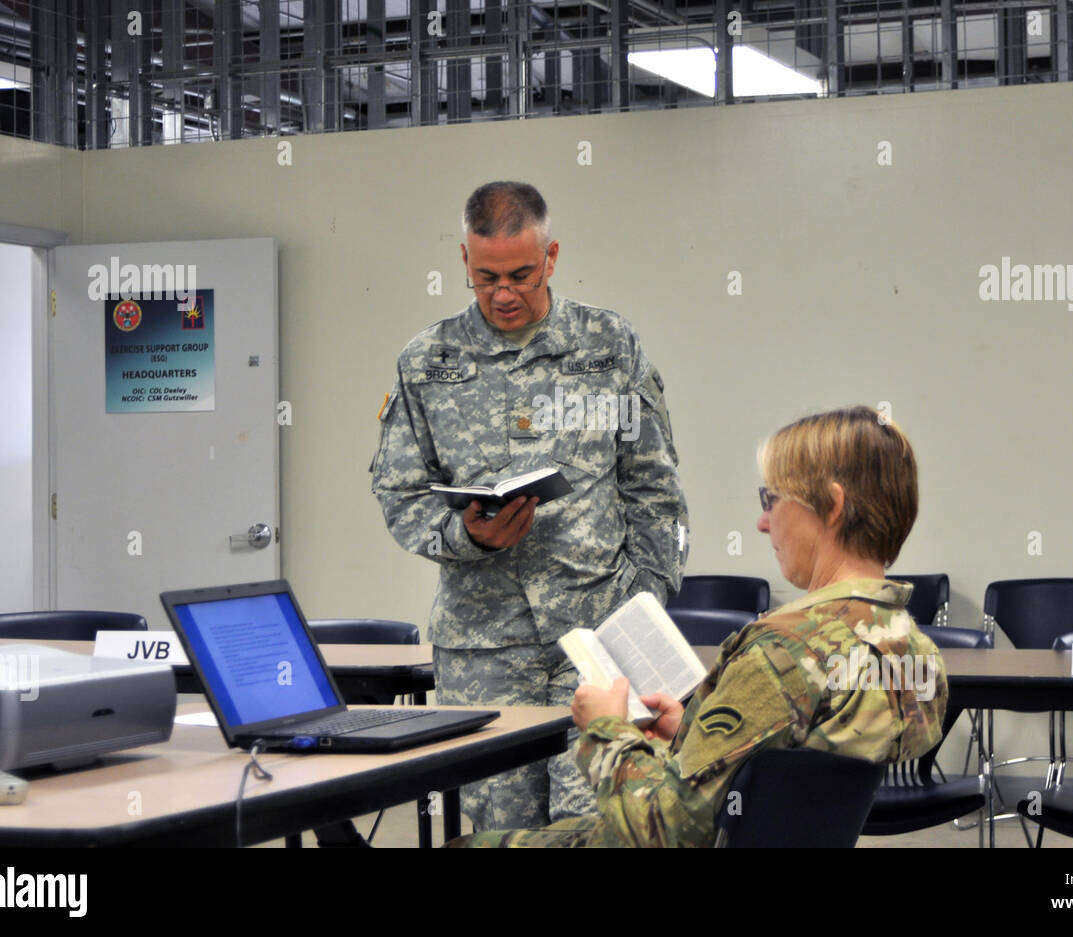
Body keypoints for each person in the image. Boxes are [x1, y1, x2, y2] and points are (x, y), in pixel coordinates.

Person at [455, 405, 947, 847]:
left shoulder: (784, 652)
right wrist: (689, 737)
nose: (761, 522)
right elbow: (782, 783)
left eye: (771, 499)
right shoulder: (915, 649)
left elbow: (664, 830)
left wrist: (605, 727)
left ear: (832, 506)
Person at [371, 181, 688, 831]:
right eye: (485, 277)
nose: (504, 292)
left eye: (520, 273)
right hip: (487, 654)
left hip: (601, 643)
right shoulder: (427, 362)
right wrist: (466, 535)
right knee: (500, 833)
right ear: (463, 260)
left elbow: (655, 488)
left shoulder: (608, 345)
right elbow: (399, 495)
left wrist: (646, 602)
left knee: (604, 829)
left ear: (551, 257)